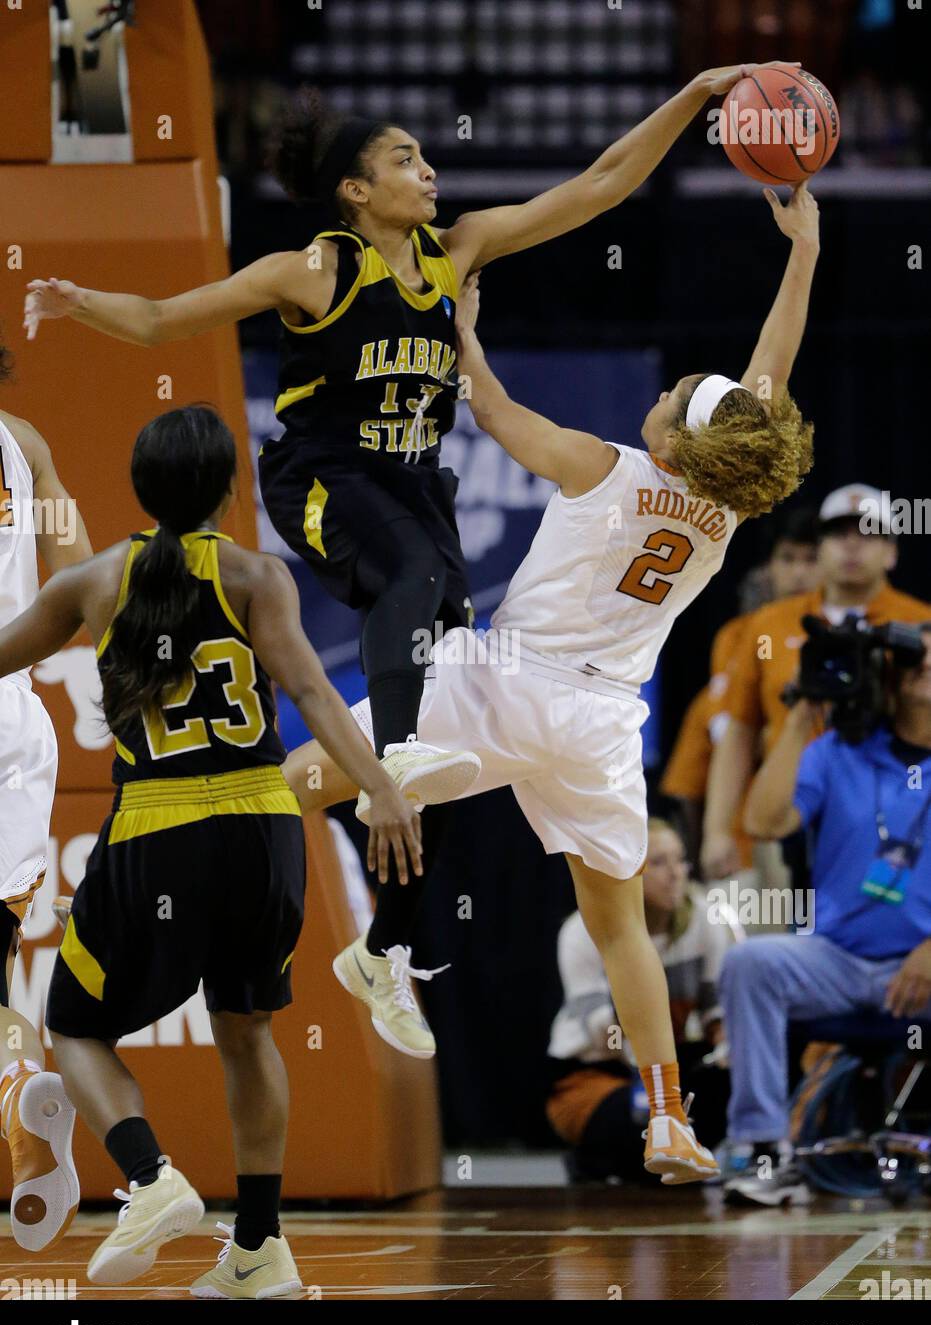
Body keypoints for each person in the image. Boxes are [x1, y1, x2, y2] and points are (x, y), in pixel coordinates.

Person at [22, 62, 799, 1003]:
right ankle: (388, 763)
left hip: (414, 490)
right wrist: (77, 302)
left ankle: (385, 946)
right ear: (356, 189)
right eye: (405, 158)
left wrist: (692, 96)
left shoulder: (455, 251)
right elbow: (157, 321)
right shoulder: (312, 268)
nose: (429, 169)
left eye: (426, 156)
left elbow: (599, 185)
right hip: (322, 476)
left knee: (442, 675)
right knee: (411, 590)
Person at [280, 178, 820, 1183]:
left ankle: (202, 839)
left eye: (671, 396)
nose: (660, 396)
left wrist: (466, 327)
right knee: (622, 933)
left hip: (506, 682)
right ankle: (668, 1117)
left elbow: (486, 405)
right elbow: (768, 382)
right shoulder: (727, 509)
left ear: (674, 435)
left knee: (305, 781)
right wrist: (803, 250)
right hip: (604, 720)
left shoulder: (601, 465)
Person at [0, 405, 421, 1298]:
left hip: (157, 826)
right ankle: (260, 1250)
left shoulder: (98, 581)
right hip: (264, 829)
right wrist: (380, 787)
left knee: (73, 1026)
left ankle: (151, 1179)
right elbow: (311, 690)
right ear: (230, 493)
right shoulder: (257, 575)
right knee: (246, 1029)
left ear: (139, 489)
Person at [719, 624, 931, 1206]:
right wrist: (799, 715)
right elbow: (763, 823)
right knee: (751, 963)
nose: (926, 662)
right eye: (918, 652)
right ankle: (764, 1146)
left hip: (922, 966)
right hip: (834, 957)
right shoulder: (837, 752)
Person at [702, 486, 931, 881]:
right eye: (839, 534)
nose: (852, 545)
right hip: (786, 811)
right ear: (820, 547)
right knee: (784, 934)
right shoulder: (767, 624)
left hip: (891, 815)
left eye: (868, 533)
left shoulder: (920, 626)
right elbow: (739, 731)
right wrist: (717, 830)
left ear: (892, 552)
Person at [0, 339, 92, 1251]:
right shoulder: (23, 440)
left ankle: (18, 1104)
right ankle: (28, 1137)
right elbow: (79, 566)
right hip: (18, 722)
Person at [546, 819, 738, 1184]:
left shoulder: (703, 921)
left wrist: (727, 1044)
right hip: (600, 1072)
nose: (676, 874)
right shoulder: (579, 931)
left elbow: (716, 1012)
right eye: (660, 863)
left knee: (729, 1085)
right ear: (630, 870)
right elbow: (606, 1036)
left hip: (672, 1066)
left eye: (680, 860)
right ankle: (595, 1161)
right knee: (631, 1123)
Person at [661, 508, 818, 878]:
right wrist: (714, 835)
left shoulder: (854, 628)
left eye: (811, 559)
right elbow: (726, 730)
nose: (799, 572)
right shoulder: (740, 635)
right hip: (754, 830)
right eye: (787, 558)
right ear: (768, 567)